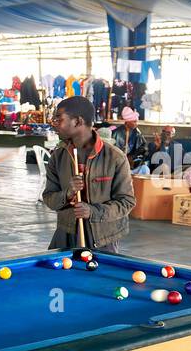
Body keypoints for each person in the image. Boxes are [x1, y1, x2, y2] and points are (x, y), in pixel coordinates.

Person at [41, 96, 134, 253]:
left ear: (77, 122)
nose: (54, 123)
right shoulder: (58, 157)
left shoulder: (115, 157)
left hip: (103, 239)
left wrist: (92, 211)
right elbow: (49, 198)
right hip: (66, 235)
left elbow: (127, 202)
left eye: (59, 119)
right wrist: (68, 193)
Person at [115, 107, 146, 171]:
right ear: (127, 122)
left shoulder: (137, 133)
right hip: (118, 164)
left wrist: (132, 157)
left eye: (136, 122)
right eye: (134, 122)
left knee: (145, 169)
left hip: (132, 163)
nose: (136, 124)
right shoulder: (116, 133)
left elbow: (143, 147)